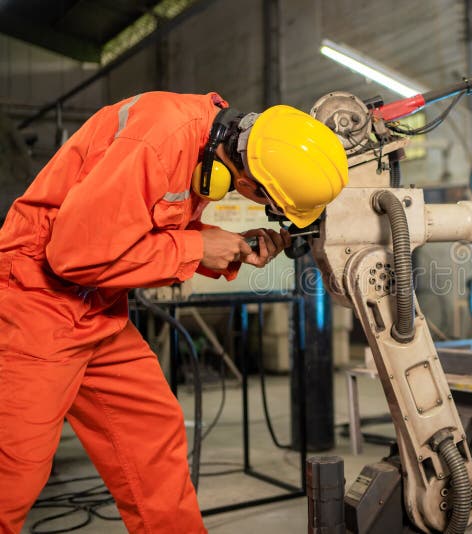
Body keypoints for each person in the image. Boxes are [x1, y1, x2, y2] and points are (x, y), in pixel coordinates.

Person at [0, 91, 349, 533]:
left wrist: (219, 244)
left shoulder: (207, 138)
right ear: (247, 184)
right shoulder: (161, 140)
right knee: (15, 469)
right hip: (37, 297)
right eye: (272, 205)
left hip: (96, 306)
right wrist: (197, 247)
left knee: (152, 435)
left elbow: (136, 222)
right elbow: (74, 253)